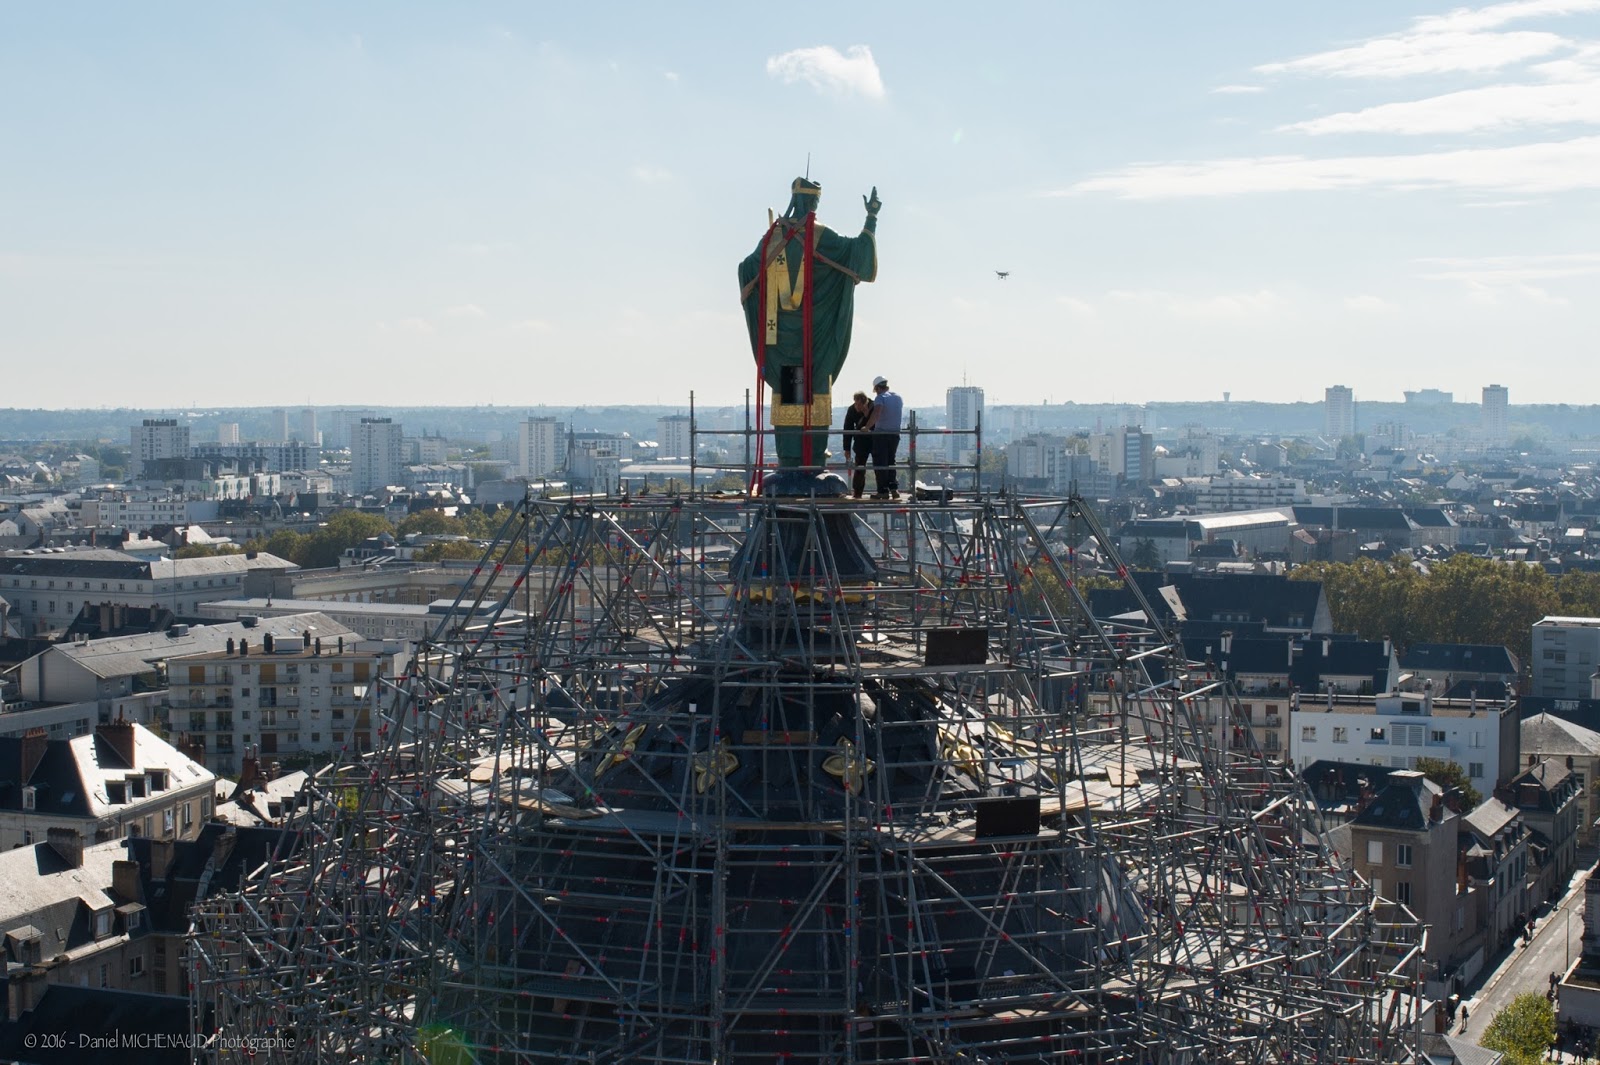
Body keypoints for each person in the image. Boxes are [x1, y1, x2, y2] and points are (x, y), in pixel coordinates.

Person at [737, 178, 880, 471]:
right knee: (813, 395)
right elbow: (856, 255)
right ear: (811, 203)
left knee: (792, 398)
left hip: (783, 346)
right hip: (814, 344)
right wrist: (871, 219)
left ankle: (791, 459)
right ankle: (811, 458)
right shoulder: (817, 235)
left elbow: (747, 270)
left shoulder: (774, 236)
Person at [863, 376, 902, 499]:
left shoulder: (881, 398)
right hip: (894, 435)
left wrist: (867, 427)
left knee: (880, 463)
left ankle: (883, 490)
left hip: (881, 435)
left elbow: (877, 413)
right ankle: (894, 488)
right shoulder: (898, 397)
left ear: (878, 388)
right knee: (891, 461)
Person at [841, 391, 874, 498]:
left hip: (875, 440)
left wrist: (866, 416)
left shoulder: (874, 407)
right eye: (855, 404)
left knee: (879, 466)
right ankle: (857, 492)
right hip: (860, 441)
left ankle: (883, 491)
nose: (857, 407)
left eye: (859, 405)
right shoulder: (852, 410)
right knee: (859, 467)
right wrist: (847, 449)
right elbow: (847, 429)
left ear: (865, 403)